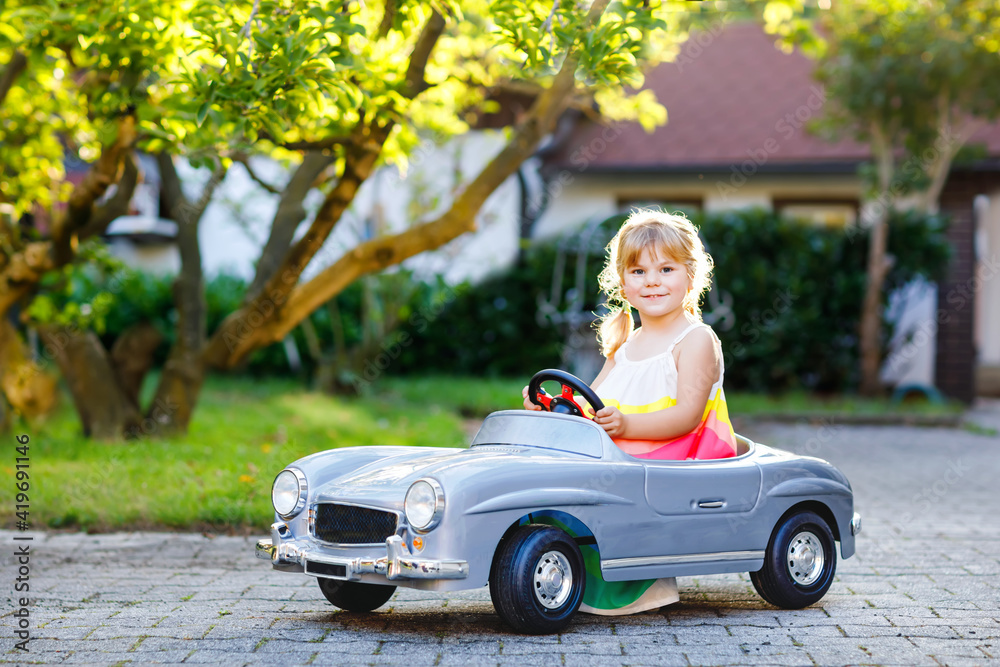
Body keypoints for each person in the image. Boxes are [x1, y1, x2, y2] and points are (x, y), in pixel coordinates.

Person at [521, 208, 738, 615]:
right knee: (541, 472)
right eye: (638, 271)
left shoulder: (696, 340)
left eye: (666, 269)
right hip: (624, 451)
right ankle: (545, 557)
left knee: (603, 484)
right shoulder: (624, 346)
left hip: (677, 457)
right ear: (622, 282)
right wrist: (550, 410)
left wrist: (625, 425)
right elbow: (591, 408)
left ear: (692, 276)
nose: (652, 280)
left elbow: (688, 417)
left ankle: (632, 579)